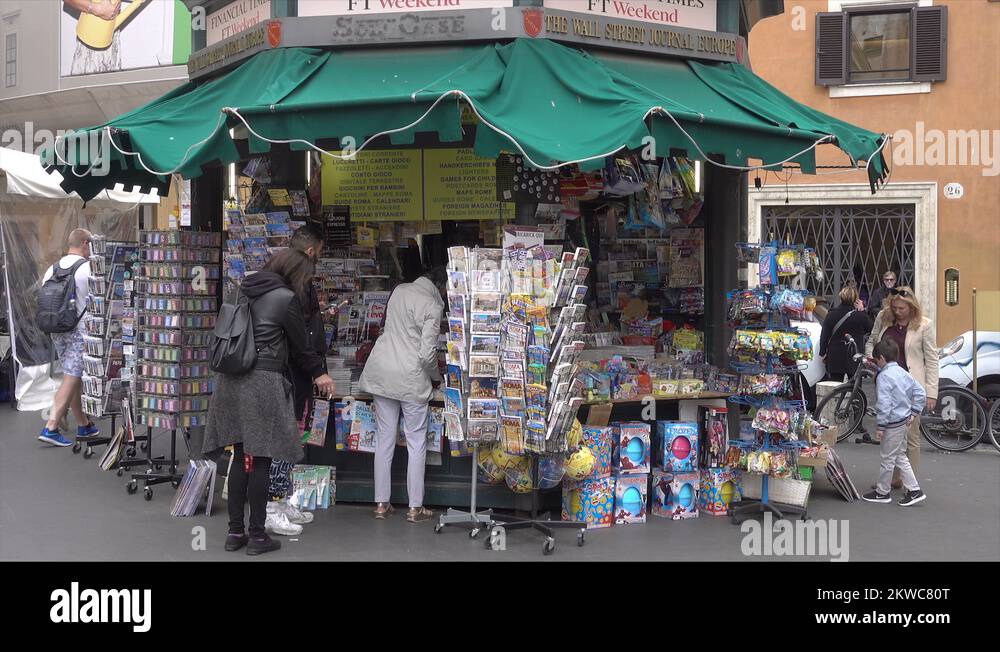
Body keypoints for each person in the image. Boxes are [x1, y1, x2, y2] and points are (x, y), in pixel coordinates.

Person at [203, 248, 336, 555]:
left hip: (232, 380)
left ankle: (235, 533)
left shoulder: (243, 290)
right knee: (261, 458)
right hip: (262, 381)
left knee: (239, 456)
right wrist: (320, 374)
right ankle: (258, 534)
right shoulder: (285, 298)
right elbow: (301, 347)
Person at [359, 265, 446, 523]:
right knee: (416, 441)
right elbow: (427, 355)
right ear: (440, 287)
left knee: (384, 439)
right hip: (410, 377)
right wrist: (436, 378)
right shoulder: (433, 304)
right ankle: (414, 507)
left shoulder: (399, 291)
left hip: (383, 371)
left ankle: (381, 504)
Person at [264, 225, 328, 536]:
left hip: (292, 375)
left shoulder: (280, 290)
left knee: (292, 436)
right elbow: (299, 340)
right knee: (285, 439)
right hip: (288, 376)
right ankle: (272, 506)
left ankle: (282, 498)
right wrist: (318, 370)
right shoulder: (290, 294)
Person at [866, 286, 938, 488]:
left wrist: (931, 393)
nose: (898, 312)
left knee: (911, 436)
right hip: (887, 381)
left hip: (910, 386)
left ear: (912, 307)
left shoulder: (924, 325)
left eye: (902, 308)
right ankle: (892, 479)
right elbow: (872, 341)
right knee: (890, 435)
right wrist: (872, 360)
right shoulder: (883, 317)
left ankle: (909, 482)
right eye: (895, 307)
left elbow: (932, 360)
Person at [38, 228, 101, 447]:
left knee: (71, 374)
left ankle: (84, 423)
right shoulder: (87, 268)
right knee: (73, 375)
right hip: (78, 329)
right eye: (90, 244)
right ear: (85, 243)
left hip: (57, 328)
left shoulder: (52, 269)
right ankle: (52, 425)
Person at [862, 337, 927, 506]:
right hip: (904, 421)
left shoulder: (884, 377)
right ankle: (914, 490)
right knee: (899, 456)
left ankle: (883, 492)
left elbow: (884, 404)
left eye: (877, 361)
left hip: (892, 424)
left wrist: (880, 426)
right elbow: (920, 393)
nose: (877, 364)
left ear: (882, 358)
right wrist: (914, 412)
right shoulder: (903, 373)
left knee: (888, 458)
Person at [819, 285, 873, 382]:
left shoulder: (831, 314)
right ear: (855, 299)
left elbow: (824, 335)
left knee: (835, 385)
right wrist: (862, 310)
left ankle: (836, 398)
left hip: (835, 354)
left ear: (841, 297)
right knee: (855, 385)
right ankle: (855, 397)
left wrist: (822, 352)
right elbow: (871, 328)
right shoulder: (860, 316)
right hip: (854, 354)